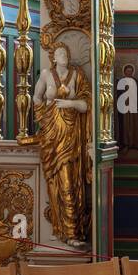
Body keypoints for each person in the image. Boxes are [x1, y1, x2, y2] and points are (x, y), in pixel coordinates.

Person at [32, 43, 91, 246]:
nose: (63, 55)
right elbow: (36, 97)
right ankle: (62, 230)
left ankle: (73, 232)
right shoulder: (47, 75)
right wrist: (44, 117)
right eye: (59, 53)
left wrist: (70, 104)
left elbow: (86, 104)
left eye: (65, 53)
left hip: (71, 137)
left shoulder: (77, 75)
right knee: (56, 183)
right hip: (51, 135)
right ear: (54, 58)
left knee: (69, 183)